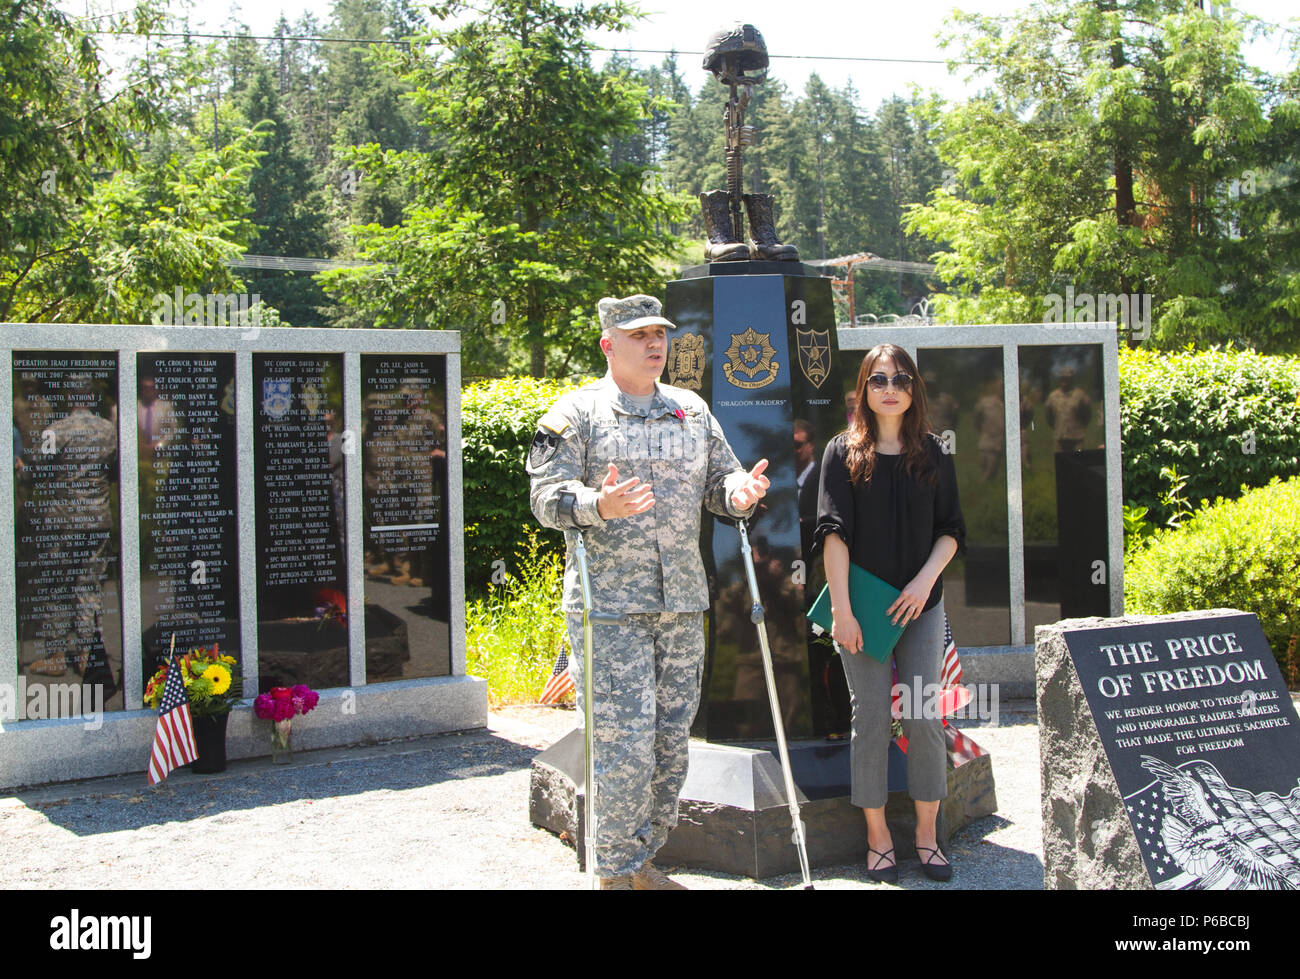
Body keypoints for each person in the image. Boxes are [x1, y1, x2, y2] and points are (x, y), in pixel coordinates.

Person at [528, 294, 770, 890]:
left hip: (682, 604)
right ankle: (613, 873)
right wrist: (595, 504)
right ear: (609, 344)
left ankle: (642, 861)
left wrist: (739, 493)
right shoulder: (575, 415)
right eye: (639, 336)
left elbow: (721, 479)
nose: (655, 344)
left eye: (660, 333)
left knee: (668, 747)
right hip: (608, 609)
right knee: (622, 747)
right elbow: (543, 499)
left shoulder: (690, 411)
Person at [815, 343, 966, 883]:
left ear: (914, 389)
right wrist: (842, 611)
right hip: (862, 610)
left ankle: (927, 833)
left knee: (925, 716)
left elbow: (952, 530)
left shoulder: (932, 452)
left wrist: (925, 583)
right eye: (879, 379)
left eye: (901, 379)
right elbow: (832, 534)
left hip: (921, 606)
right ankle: (878, 834)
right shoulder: (841, 452)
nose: (890, 388)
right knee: (873, 719)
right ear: (864, 388)